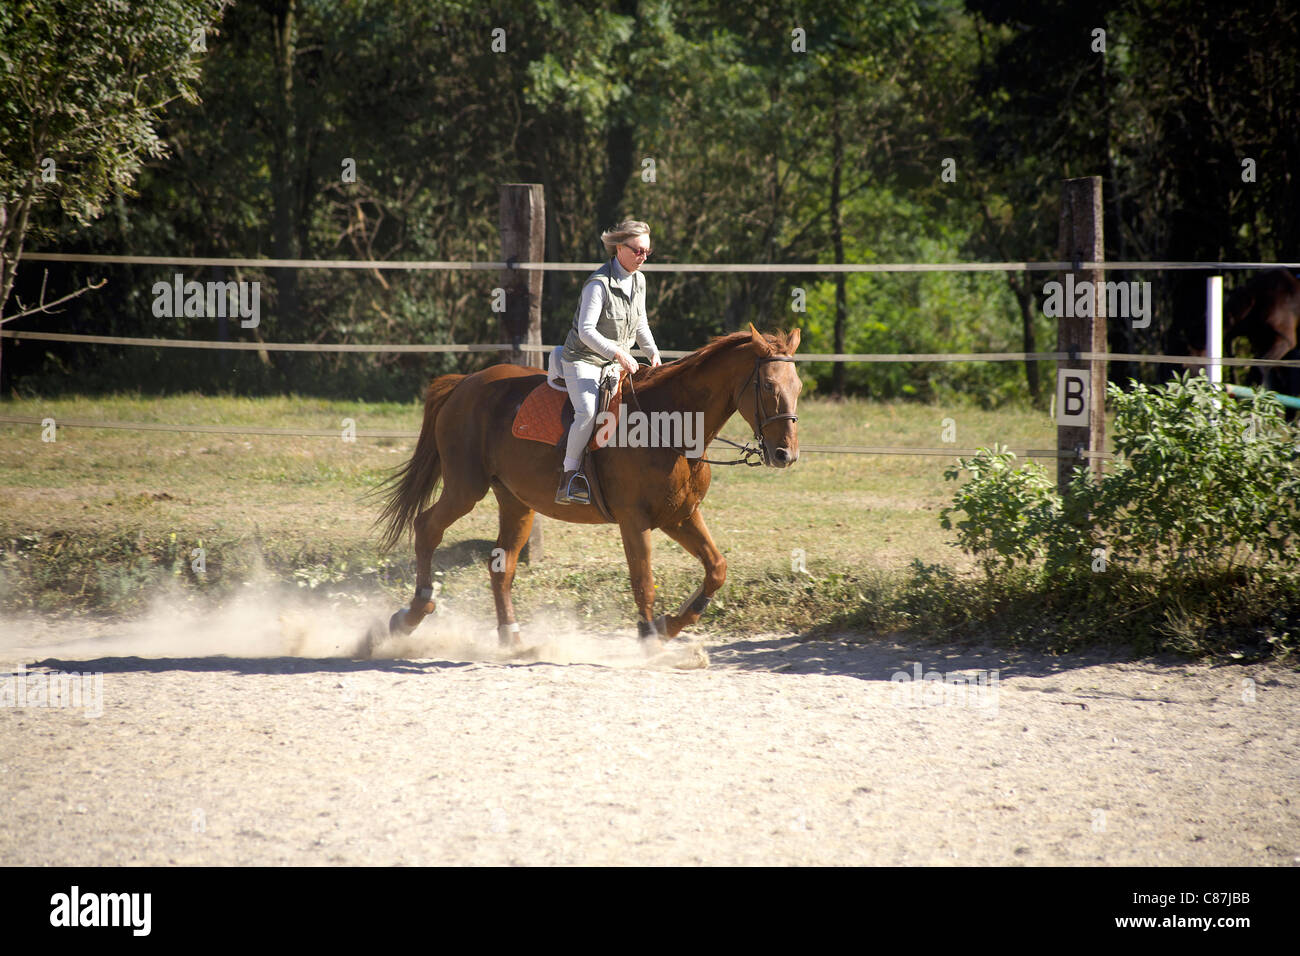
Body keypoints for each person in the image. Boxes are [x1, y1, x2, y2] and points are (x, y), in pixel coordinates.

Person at [555, 220, 662, 504]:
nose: (642, 258)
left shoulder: (639, 280)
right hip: (583, 359)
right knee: (588, 413)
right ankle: (568, 476)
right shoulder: (598, 284)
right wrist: (618, 353)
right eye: (638, 251)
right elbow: (586, 331)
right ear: (619, 248)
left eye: (647, 253)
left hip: (615, 363)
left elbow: (640, 322)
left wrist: (652, 352)